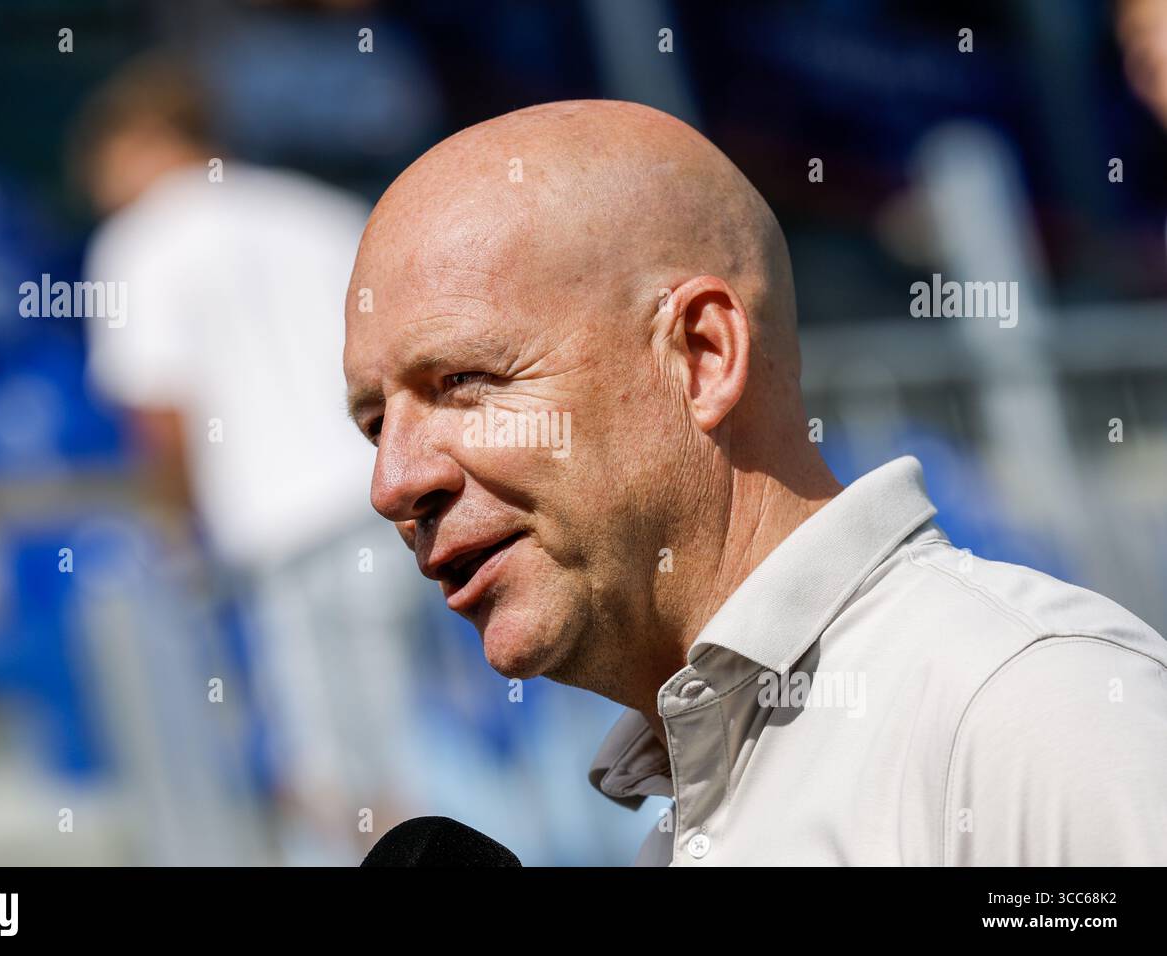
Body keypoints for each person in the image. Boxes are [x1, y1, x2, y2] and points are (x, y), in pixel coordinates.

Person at [342, 99, 1167, 866]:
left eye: (463, 382)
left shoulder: (1025, 709)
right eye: (377, 423)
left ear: (703, 355)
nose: (394, 484)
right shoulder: (689, 817)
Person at [71, 55, 425, 863]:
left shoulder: (142, 243)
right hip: (397, 507)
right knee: (415, 741)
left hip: (284, 538)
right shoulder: (319, 214)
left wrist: (176, 534)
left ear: (144, 140)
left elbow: (162, 414)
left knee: (334, 778)